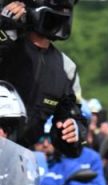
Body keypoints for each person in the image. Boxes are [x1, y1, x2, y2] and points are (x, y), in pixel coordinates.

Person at [0, 0, 85, 157]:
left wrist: (75, 131)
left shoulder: (67, 68)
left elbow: (73, 123)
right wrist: (4, 28)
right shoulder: (6, 42)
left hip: (16, 165)